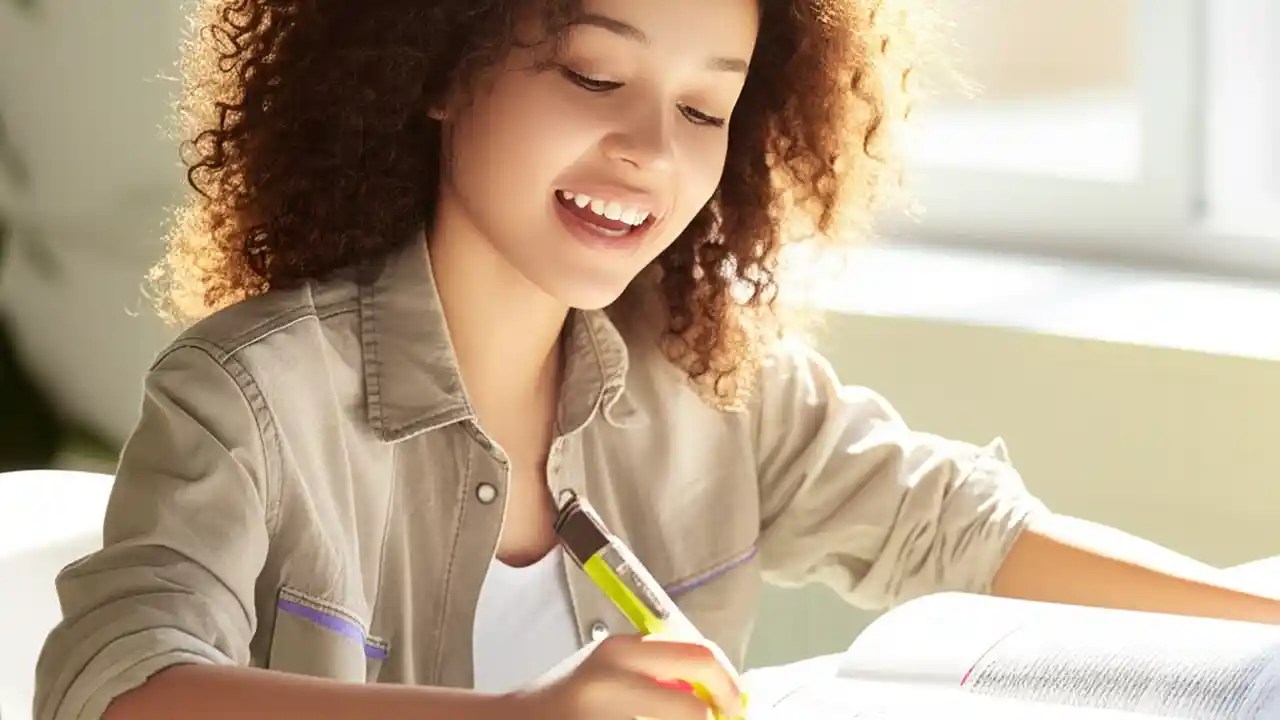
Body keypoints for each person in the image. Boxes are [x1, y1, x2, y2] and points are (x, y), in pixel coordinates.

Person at [33, 0, 1280, 718]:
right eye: (592, 74)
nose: (648, 149)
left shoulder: (705, 376)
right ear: (435, 68)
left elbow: (957, 527)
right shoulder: (249, 397)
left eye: (701, 110)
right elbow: (117, 685)